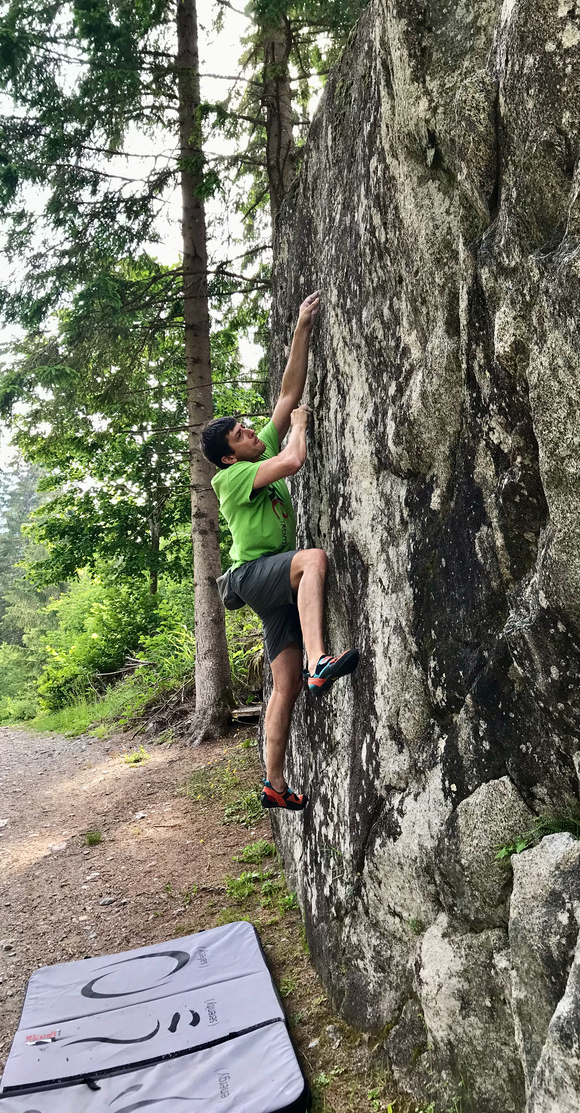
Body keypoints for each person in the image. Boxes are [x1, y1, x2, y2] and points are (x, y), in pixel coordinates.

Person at [200, 291, 358, 812]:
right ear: (230, 455)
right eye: (242, 434)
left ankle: (273, 783)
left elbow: (289, 392)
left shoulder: (253, 453)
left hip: (271, 586)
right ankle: (320, 660)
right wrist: (301, 430)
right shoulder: (231, 479)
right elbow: (293, 460)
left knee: (283, 684)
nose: (252, 432)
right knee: (313, 559)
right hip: (253, 574)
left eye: (247, 428)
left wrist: (302, 327)